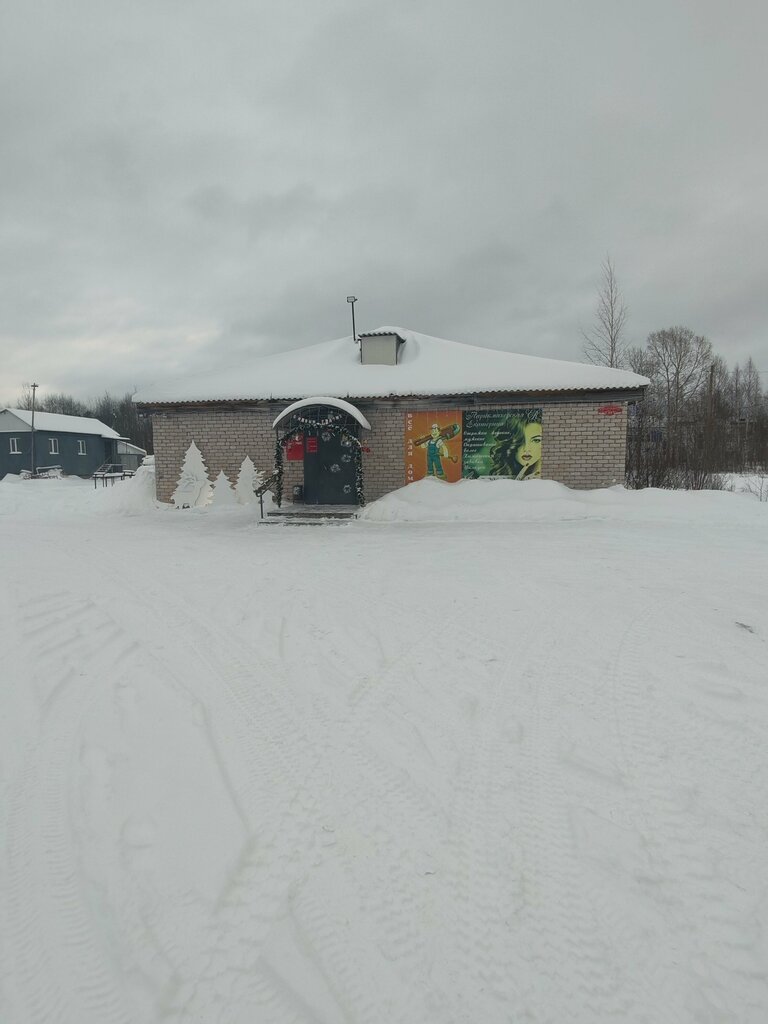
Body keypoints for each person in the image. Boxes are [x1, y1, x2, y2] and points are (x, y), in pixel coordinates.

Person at [488, 410, 542, 479]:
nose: (526, 449)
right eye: (520, 440)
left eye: (536, 440)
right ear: (510, 442)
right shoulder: (504, 475)